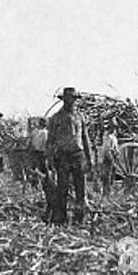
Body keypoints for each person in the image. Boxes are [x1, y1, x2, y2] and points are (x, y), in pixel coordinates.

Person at [47, 87, 91, 225]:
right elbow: (50, 140)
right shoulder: (56, 118)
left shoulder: (80, 117)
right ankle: (60, 219)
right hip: (63, 157)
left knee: (81, 189)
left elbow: (85, 138)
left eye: (73, 98)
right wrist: (49, 159)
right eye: (68, 98)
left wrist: (89, 158)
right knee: (62, 189)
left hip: (78, 156)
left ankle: (80, 218)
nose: (71, 101)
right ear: (64, 99)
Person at [97, 120, 119, 195]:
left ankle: (107, 191)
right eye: (113, 128)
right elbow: (107, 150)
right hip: (108, 158)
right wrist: (112, 161)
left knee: (110, 175)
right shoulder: (108, 137)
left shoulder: (111, 137)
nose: (114, 130)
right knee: (107, 176)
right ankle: (106, 193)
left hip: (110, 157)